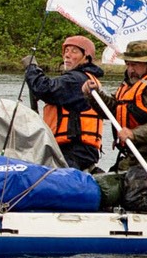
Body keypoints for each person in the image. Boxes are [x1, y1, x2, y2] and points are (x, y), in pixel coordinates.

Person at [82, 39, 147, 213]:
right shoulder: (131, 83)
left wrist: (133, 134)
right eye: (128, 64)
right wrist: (94, 96)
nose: (130, 69)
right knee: (110, 186)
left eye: (135, 65)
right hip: (136, 154)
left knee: (135, 194)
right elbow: (116, 110)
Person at [22, 35, 105, 171]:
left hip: (74, 151)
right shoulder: (84, 78)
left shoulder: (77, 79)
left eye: (74, 51)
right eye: (66, 51)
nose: (67, 55)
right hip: (76, 150)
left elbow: (44, 89)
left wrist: (32, 69)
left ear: (86, 57)